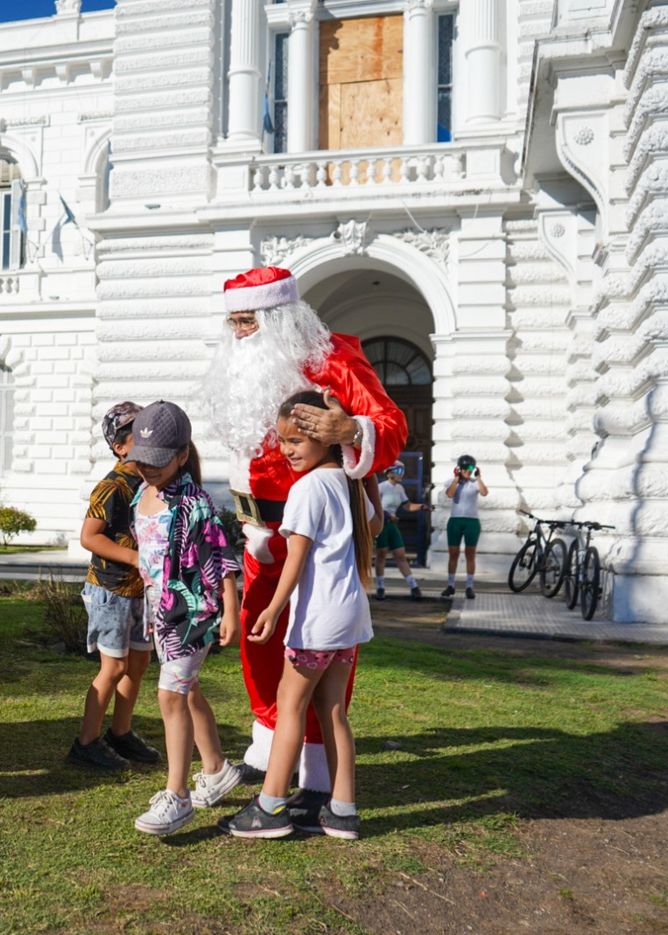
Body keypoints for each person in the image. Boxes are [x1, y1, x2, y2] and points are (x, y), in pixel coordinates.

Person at [202, 265, 406, 830]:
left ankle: (313, 781)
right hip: (256, 536)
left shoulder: (332, 360)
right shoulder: (238, 368)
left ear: (279, 319)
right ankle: (272, 753)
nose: (239, 333)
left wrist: (350, 432)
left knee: (311, 651)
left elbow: (390, 426)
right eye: (233, 322)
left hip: (314, 540)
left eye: (249, 321)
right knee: (260, 646)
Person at [223, 391, 373, 839]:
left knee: (289, 706)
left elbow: (295, 557)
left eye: (297, 440)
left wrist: (271, 608)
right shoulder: (346, 480)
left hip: (317, 623)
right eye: (283, 440)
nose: (287, 450)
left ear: (326, 438)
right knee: (333, 712)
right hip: (348, 620)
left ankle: (270, 807)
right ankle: (342, 809)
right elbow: (376, 525)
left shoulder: (307, 488)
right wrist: (364, 470)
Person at [125, 401, 243, 836]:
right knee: (188, 692)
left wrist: (231, 610)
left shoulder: (195, 503)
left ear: (181, 455)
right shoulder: (144, 493)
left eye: (157, 462)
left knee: (170, 696)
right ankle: (215, 769)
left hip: (193, 610)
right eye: (142, 459)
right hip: (162, 608)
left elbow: (221, 558)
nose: (148, 469)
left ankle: (177, 797)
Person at [68, 402, 160, 770]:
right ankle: (85, 743)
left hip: (140, 590)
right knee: (115, 667)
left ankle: (120, 733)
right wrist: (135, 558)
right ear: (120, 446)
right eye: (139, 435)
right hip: (111, 590)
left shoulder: (151, 482)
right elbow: (90, 537)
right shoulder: (112, 487)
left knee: (138, 663)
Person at [375, 461, 429, 601]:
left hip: (393, 525)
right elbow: (373, 506)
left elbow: (407, 506)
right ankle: (380, 587)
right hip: (383, 524)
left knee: (400, 555)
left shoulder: (399, 488)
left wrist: (422, 506)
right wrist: (387, 515)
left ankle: (414, 586)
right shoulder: (381, 487)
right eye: (399, 471)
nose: (402, 474)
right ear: (390, 472)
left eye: (402, 471)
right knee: (381, 555)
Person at [442, 454, 488, 599]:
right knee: (453, 553)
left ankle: (469, 586)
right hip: (455, 521)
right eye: (466, 468)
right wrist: (457, 478)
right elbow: (449, 494)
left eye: (471, 468)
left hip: (472, 521)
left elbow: (484, 492)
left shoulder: (475, 483)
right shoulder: (452, 481)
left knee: (470, 554)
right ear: (459, 469)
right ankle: (450, 585)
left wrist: (479, 477)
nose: (468, 471)